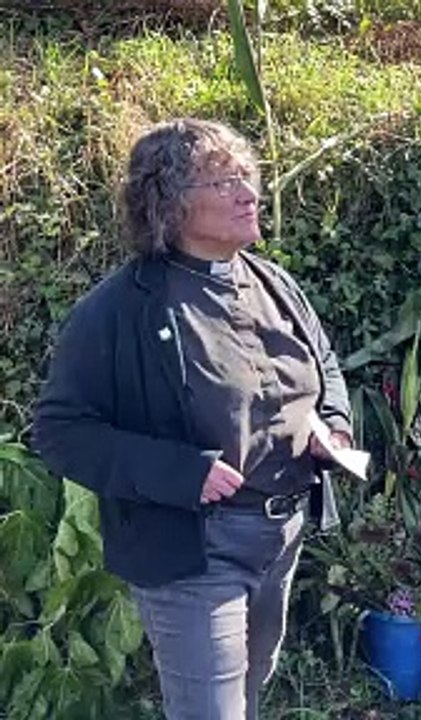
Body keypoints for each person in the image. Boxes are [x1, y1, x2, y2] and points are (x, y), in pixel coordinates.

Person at [32, 118, 352, 720]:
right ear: (170, 203)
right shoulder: (120, 309)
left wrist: (331, 427)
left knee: (249, 695)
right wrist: (177, 471)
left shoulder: (274, 283)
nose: (248, 192)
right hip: (194, 548)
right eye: (224, 180)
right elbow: (59, 430)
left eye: (248, 176)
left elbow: (325, 367)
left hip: (279, 536)